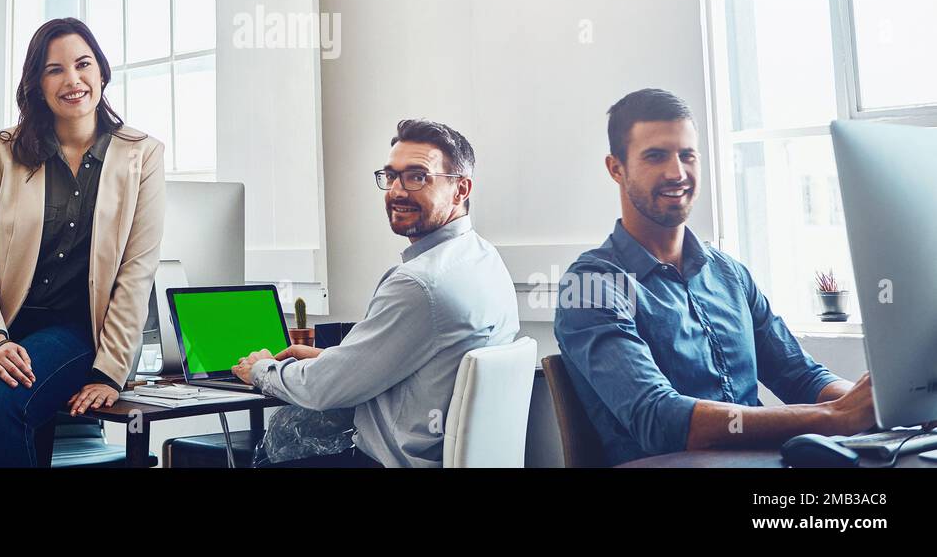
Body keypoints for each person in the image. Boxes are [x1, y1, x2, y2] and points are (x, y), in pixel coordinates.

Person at [554, 88, 875, 465]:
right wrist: (835, 418)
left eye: (687, 155)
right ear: (616, 168)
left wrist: (872, 403)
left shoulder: (729, 273)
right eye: (655, 156)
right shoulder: (590, 286)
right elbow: (660, 419)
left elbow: (801, 376)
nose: (677, 172)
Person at [0, 17, 165, 467]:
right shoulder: (2, 150)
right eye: (54, 69)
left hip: (70, 330)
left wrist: (110, 372)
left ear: (102, 72)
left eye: (83, 64)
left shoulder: (142, 155)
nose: (72, 80)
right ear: (36, 84)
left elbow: (135, 276)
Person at [232, 119, 518, 467]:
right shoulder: (483, 257)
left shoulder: (419, 283)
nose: (397, 191)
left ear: (460, 189)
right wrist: (331, 359)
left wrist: (261, 369)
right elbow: (419, 363)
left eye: (416, 176)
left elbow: (322, 390)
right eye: (391, 176)